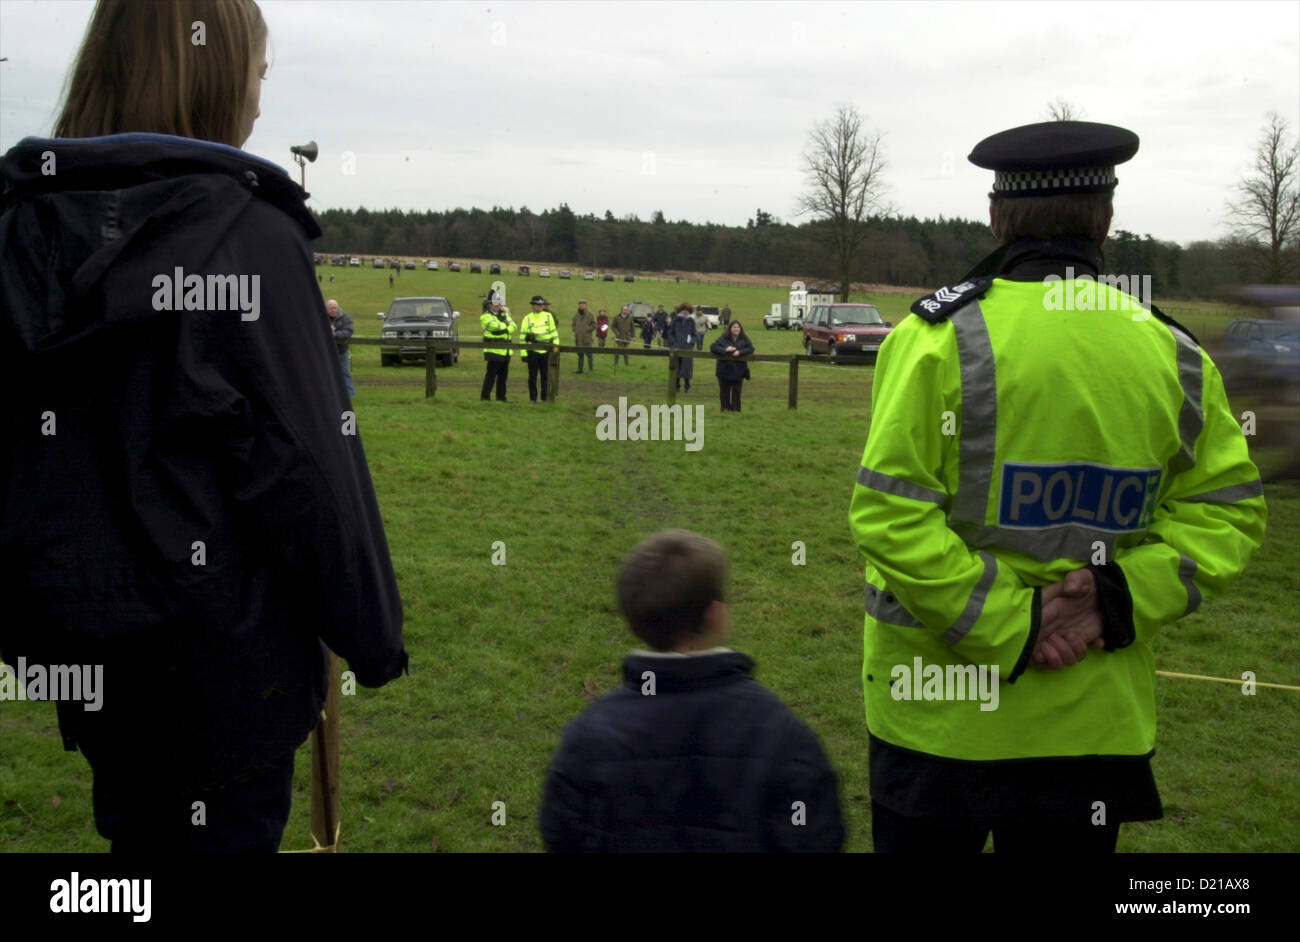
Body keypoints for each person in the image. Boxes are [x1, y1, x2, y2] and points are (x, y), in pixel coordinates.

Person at [0, 0, 407, 853]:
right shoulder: (246, 235)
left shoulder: (25, 232)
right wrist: (370, 633)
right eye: (258, 74)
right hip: (223, 671)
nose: (259, 100)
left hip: (86, 653)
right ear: (216, 76)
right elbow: (311, 467)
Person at [848, 121, 1267, 854]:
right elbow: (1226, 516)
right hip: (1089, 732)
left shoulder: (935, 338)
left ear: (995, 217)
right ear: (1106, 219)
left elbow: (890, 516)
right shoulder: (1176, 354)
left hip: (937, 722)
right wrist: (1113, 600)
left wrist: (1012, 625)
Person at [539, 530, 844, 852]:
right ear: (715, 616)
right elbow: (816, 836)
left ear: (632, 626)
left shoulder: (589, 736)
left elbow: (562, 833)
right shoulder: (780, 732)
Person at [519, 294, 559, 403]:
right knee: (532, 376)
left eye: (542, 304)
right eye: (538, 305)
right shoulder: (527, 318)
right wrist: (523, 353)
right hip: (532, 350)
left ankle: (544, 398)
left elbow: (554, 333)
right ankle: (533, 398)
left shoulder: (548, 316)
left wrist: (555, 349)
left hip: (546, 350)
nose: (540, 306)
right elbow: (522, 337)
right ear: (533, 306)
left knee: (545, 376)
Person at [480, 289, 515, 401]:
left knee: (503, 377)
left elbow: (514, 326)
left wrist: (503, 328)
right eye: (496, 303)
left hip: (506, 351)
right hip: (493, 351)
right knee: (491, 376)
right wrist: (506, 328)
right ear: (490, 304)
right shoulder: (485, 316)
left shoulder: (504, 314)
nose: (498, 305)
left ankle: (501, 397)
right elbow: (493, 327)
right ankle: (485, 397)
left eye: (500, 303)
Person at [711, 320, 754, 412]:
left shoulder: (744, 338)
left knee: (737, 391)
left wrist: (740, 352)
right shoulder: (723, 338)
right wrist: (726, 349)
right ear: (730, 329)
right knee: (724, 392)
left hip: (739, 370)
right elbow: (713, 347)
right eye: (734, 327)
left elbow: (751, 348)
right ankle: (726, 409)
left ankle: (736, 410)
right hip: (724, 370)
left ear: (740, 329)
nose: (736, 329)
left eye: (738, 327)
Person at [325, 298, 354, 398]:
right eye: (331, 308)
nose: (334, 310)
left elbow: (349, 331)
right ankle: (329, 395)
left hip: (341, 350)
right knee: (327, 373)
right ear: (326, 309)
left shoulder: (345, 317)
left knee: (345, 373)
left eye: (335, 308)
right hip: (326, 351)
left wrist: (335, 334)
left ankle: (350, 395)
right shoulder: (322, 317)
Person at [669, 302, 697, 393]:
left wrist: (691, 342)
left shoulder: (691, 321)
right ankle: (677, 385)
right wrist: (674, 343)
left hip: (687, 348)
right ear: (681, 310)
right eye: (684, 310)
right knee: (676, 367)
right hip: (677, 348)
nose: (686, 312)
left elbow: (694, 335)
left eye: (687, 310)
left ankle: (687, 385)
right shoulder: (676, 320)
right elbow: (670, 333)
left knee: (687, 368)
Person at [572, 299, 596, 372]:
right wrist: (575, 330)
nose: (582, 305)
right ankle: (579, 369)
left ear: (586, 305)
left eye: (583, 304)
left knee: (589, 355)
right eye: (581, 304)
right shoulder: (576, 315)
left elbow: (594, 324)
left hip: (587, 338)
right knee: (580, 355)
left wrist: (588, 329)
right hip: (578, 338)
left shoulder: (590, 314)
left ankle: (590, 369)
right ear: (579, 305)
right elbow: (573, 324)